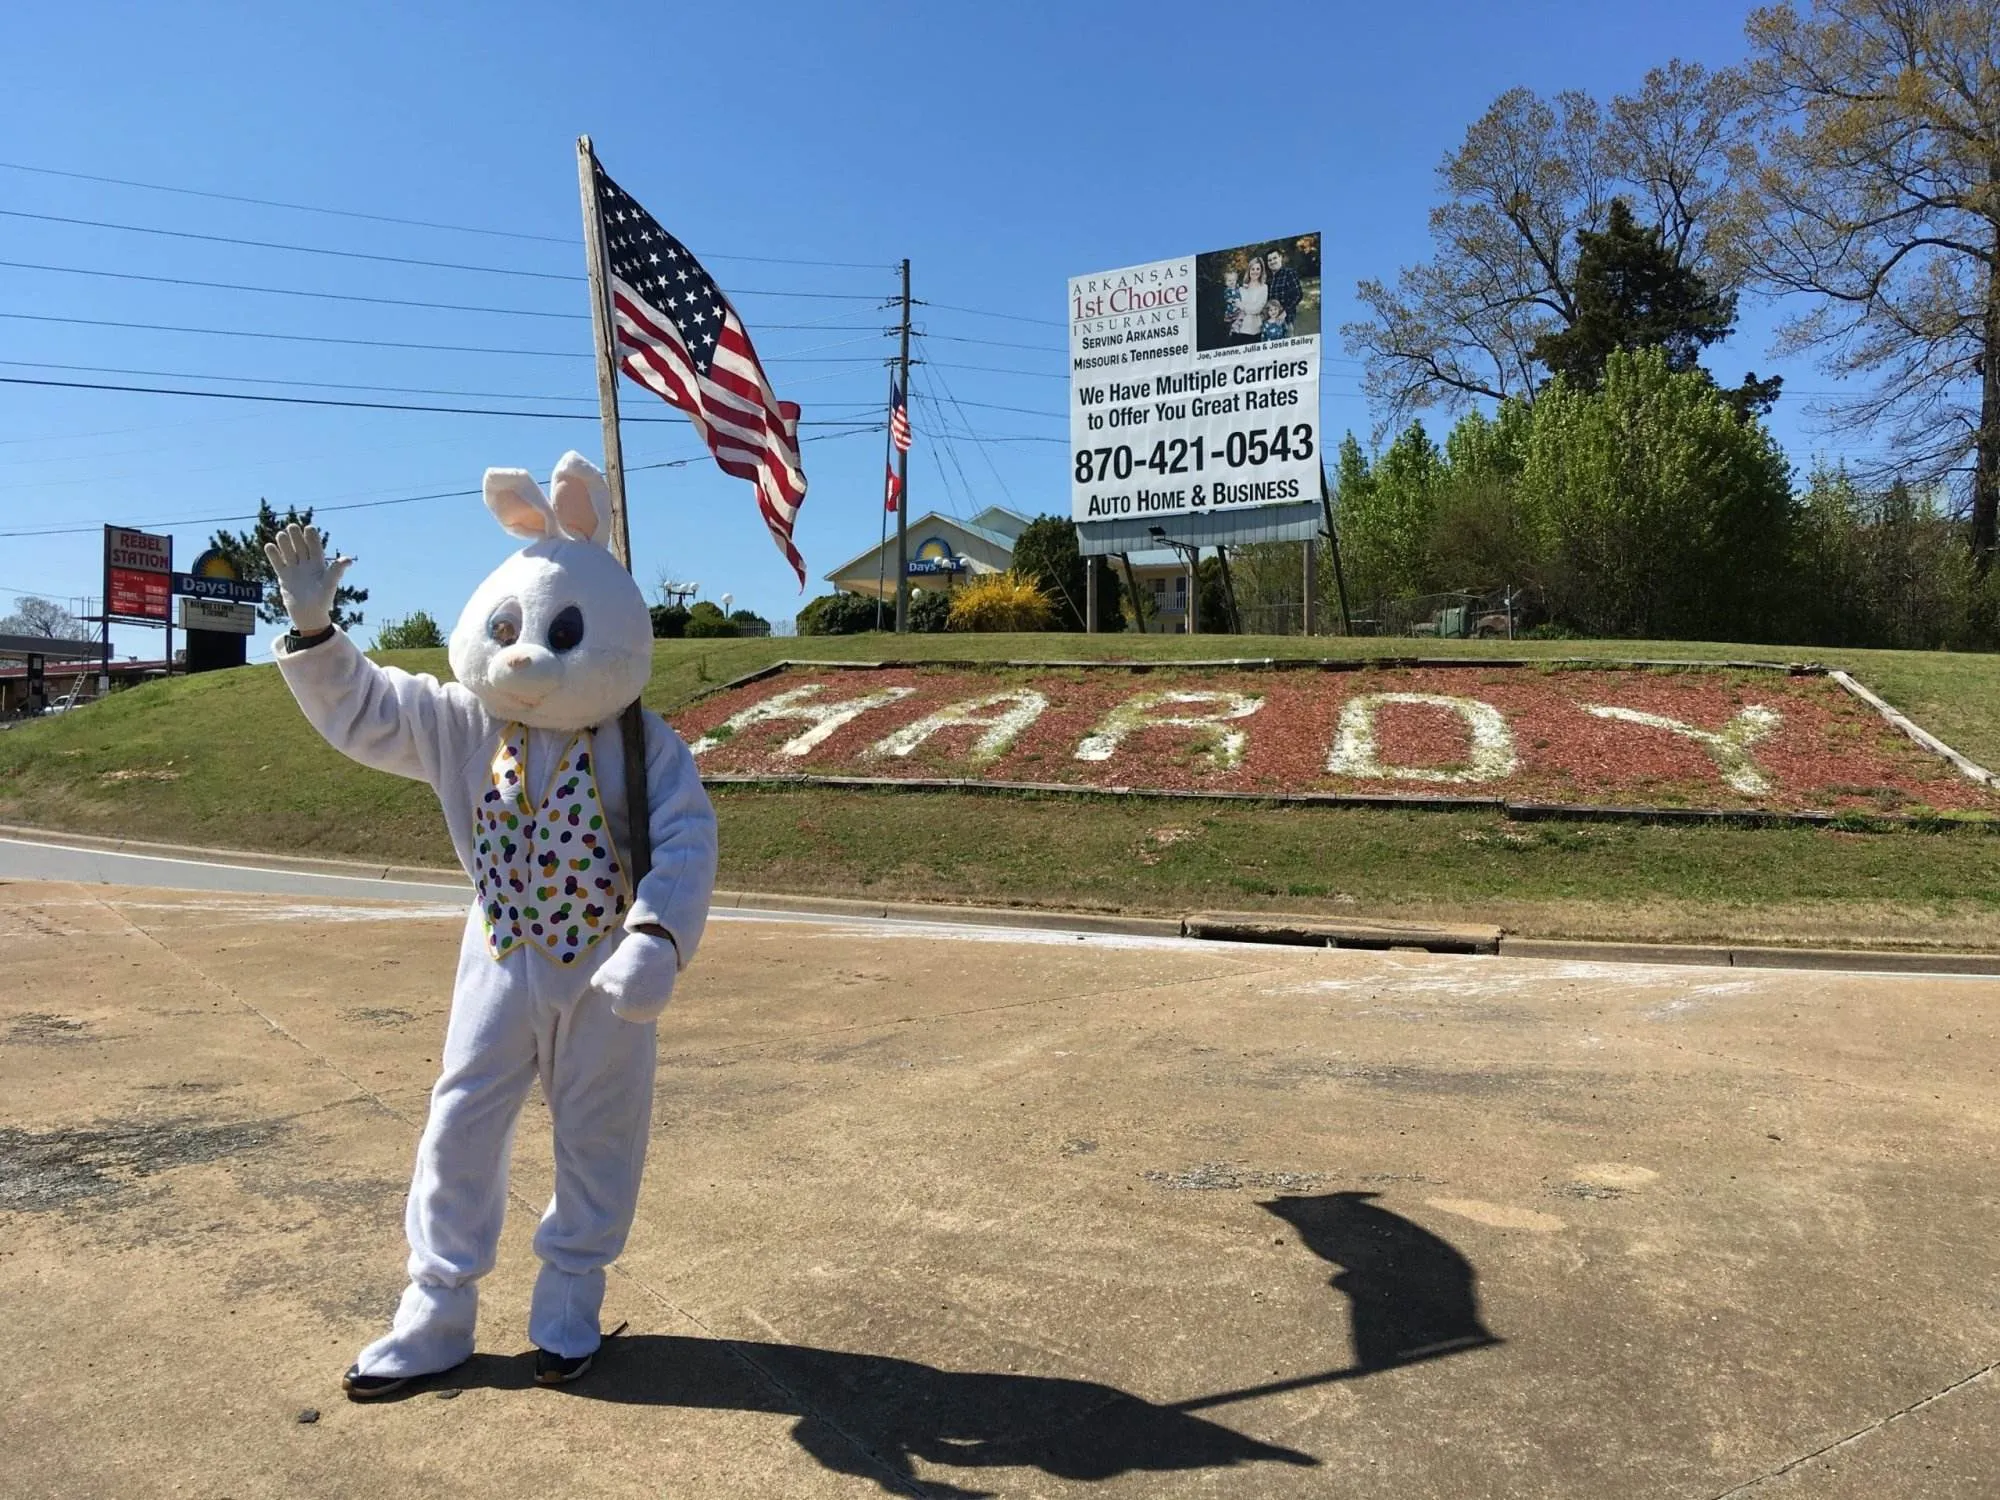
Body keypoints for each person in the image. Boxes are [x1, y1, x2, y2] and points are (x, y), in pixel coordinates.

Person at [1229, 257, 1269, 344]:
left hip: (1255, 331)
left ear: (1261, 271)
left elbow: (1256, 309)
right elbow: (1234, 305)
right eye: (1253, 269)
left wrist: (1242, 305)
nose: (1255, 271)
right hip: (1239, 330)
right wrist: (1243, 306)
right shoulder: (1242, 288)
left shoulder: (1264, 287)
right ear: (1249, 270)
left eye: (1258, 269)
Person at [1265, 248, 1303, 328]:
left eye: (1275, 258)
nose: (1272, 261)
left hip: (1286, 320)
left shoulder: (1289, 273)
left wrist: (1284, 313)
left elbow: (1298, 295)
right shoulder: (1268, 279)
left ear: (1280, 258)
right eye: (1269, 260)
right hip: (1271, 321)